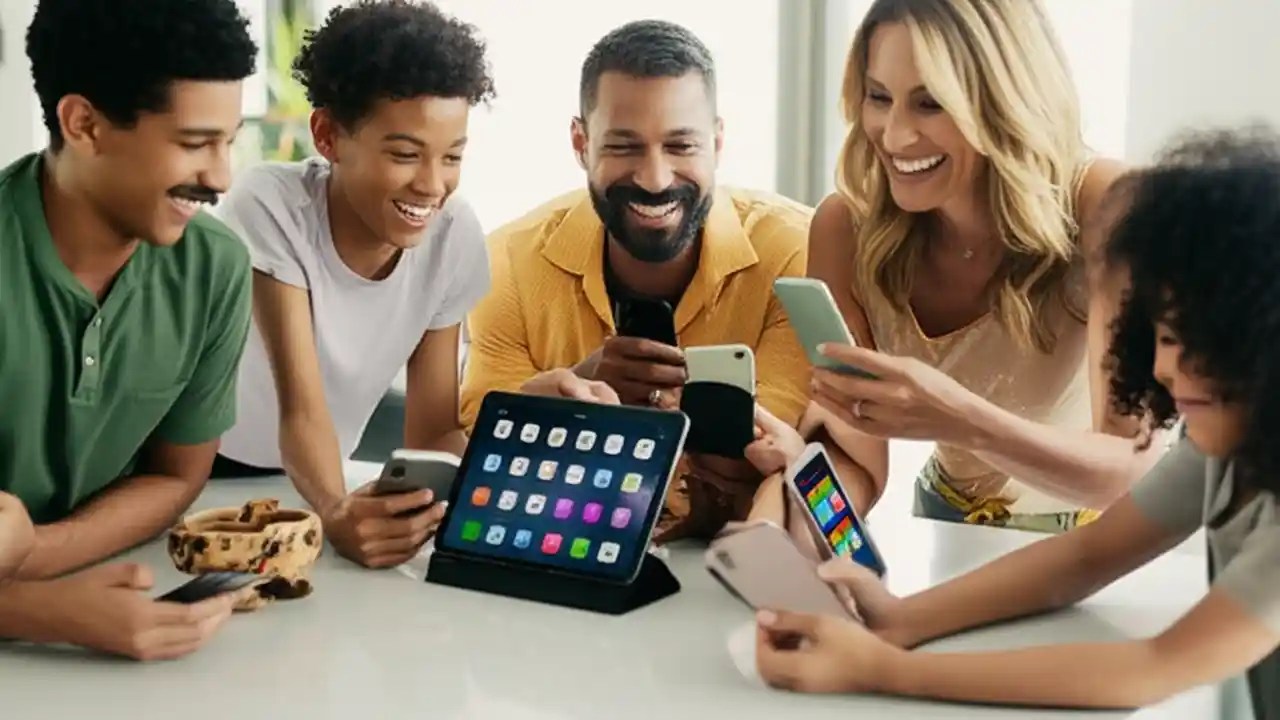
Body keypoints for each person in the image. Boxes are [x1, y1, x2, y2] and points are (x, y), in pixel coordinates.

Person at [754, 128, 1280, 719]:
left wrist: (880, 669)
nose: (1162, 367)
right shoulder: (1220, 446)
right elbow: (1088, 555)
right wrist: (901, 618)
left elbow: (1151, 669)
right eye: (1160, 336)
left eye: (1189, 339)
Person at [746, 0, 1163, 533]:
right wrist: (790, 516)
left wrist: (958, 419)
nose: (893, 136)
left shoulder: (1111, 207)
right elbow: (854, 453)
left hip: (1102, 539)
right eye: (879, 97)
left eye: (931, 104)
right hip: (945, 523)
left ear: (1005, 101)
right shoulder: (844, 229)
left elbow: (1129, 467)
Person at [460, 20, 813, 540]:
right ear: (581, 143)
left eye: (681, 146)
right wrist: (565, 404)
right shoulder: (506, 263)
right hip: (570, 552)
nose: (655, 178)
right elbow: (478, 456)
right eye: (624, 147)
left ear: (717, 142)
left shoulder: (797, 253)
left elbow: (772, 452)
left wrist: (595, 437)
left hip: (738, 561)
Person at [0, 0, 255, 659]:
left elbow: (176, 476)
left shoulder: (215, 268)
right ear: (84, 124)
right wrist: (42, 613)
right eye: (194, 144)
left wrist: (38, 555)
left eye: (228, 142)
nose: (220, 177)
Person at [213, 0, 496, 570]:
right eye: (405, 154)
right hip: (208, 476)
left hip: (319, 481)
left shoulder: (453, 234)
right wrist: (335, 509)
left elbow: (433, 431)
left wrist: (492, 500)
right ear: (327, 136)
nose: (432, 185)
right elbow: (302, 407)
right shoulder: (271, 205)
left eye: (452, 156)